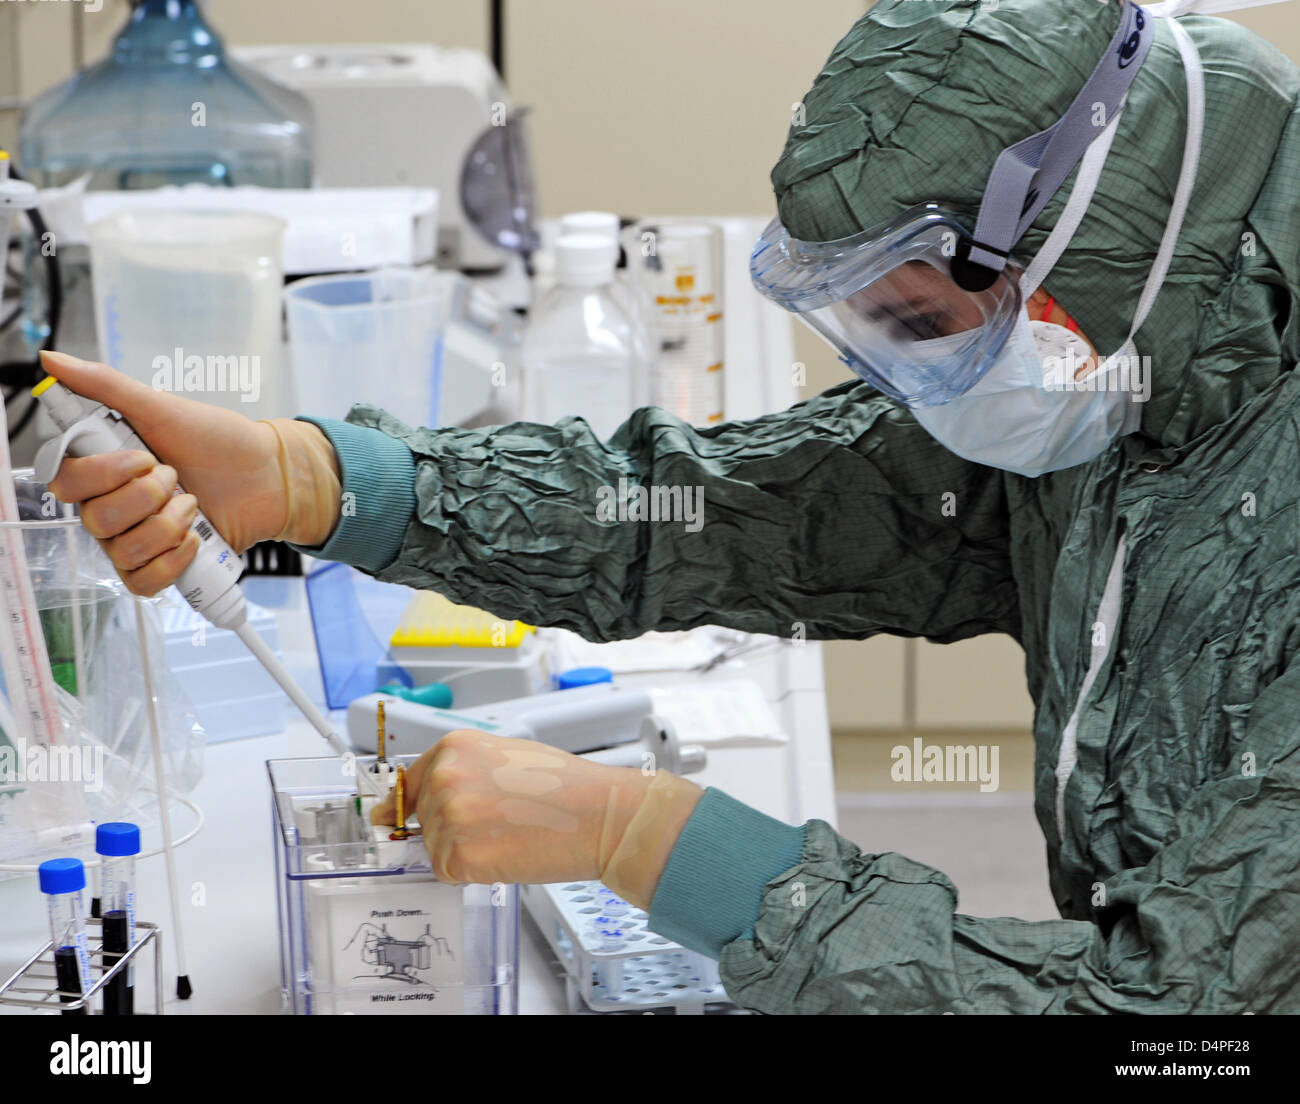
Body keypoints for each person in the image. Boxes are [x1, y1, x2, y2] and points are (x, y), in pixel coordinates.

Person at [41, 0, 1300, 1012]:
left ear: (1088, 245)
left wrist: (650, 839)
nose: (910, 379)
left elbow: (1180, 1018)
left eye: (921, 322)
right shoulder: (1127, 378)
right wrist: (323, 480)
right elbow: (738, 510)